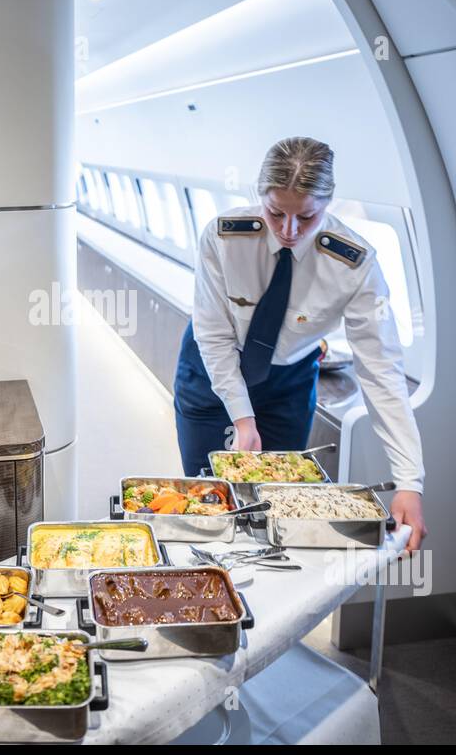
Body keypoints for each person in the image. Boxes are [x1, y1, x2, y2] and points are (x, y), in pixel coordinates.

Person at [173, 137, 427, 552]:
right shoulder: (223, 238)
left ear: (327, 203)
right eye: (275, 213)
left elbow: (381, 372)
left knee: (279, 506)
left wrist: (409, 482)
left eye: (306, 218)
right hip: (210, 369)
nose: (289, 231)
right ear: (261, 196)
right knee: (209, 503)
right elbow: (214, 335)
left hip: (287, 387)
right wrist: (241, 417)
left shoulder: (355, 265)